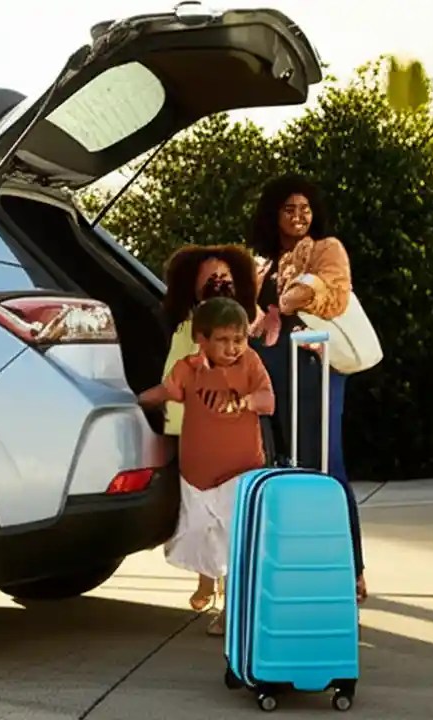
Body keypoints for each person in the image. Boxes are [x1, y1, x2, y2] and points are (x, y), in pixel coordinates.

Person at [247, 174, 367, 603]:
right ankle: (297, 565)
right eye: (289, 209)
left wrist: (288, 299)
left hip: (315, 366)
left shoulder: (325, 249)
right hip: (271, 370)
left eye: (305, 209)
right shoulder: (261, 261)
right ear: (273, 213)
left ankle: (350, 568)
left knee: (326, 462)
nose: (299, 217)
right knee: (282, 464)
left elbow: (330, 295)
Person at [139, 296, 275, 636]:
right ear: (202, 339)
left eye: (239, 339)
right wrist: (134, 401)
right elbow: (166, 391)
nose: (232, 348)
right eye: (223, 340)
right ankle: (206, 582)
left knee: (233, 538)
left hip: (239, 470)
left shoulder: (251, 364)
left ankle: (231, 609)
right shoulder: (188, 368)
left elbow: (268, 400)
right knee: (199, 529)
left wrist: (245, 401)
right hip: (196, 472)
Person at [158, 243, 260, 438]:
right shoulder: (187, 332)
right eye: (212, 280)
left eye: (225, 278)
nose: (220, 284)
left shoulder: (244, 330)